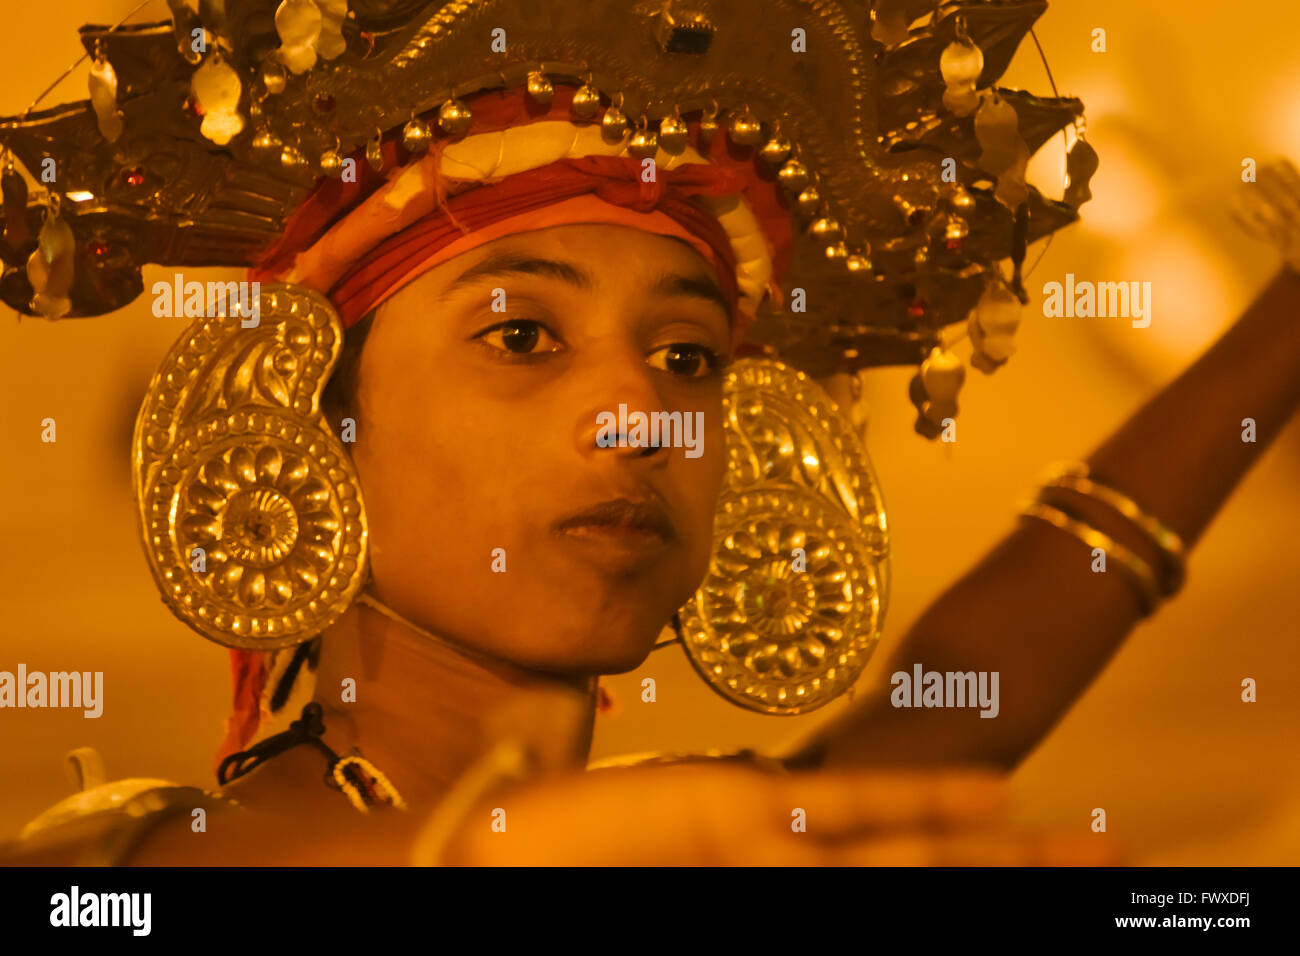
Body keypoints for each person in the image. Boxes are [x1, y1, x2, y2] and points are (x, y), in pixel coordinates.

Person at [3, 0, 1299, 865]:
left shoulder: (717, 836)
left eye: (686, 357)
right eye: (522, 337)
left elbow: (951, 708)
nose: (640, 416)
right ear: (310, 424)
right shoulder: (129, 860)